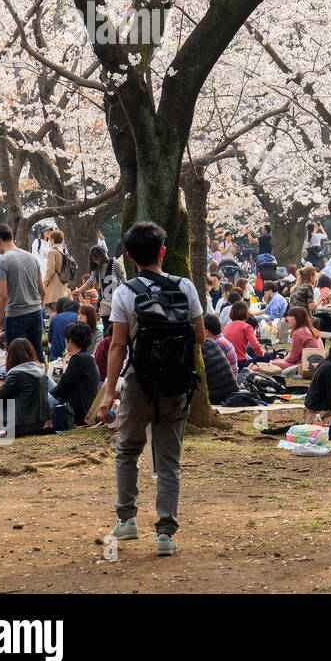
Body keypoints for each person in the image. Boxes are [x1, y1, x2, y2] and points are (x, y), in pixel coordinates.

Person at [98, 220, 205, 557]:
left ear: (128, 256)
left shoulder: (124, 293)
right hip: (176, 386)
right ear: (163, 251)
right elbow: (200, 335)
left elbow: (116, 346)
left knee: (128, 450)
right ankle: (165, 535)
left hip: (138, 385)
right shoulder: (185, 287)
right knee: (169, 461)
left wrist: (108, 393)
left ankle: (127, 519)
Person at [0, 224, 44, 353]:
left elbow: (2, 296)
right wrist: (37, 308)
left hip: (16, 316)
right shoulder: (31, 257)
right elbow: (42, 290)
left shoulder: (1, 261)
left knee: (16, 356)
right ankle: (40, 373)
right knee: (36, 354)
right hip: (36, 312)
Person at [50, 321, 99, 430]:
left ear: (70, 340)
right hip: (83, 406)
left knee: (45, 383)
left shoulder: (78, 359)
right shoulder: (87, 357)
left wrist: (46, 396)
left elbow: (61, 387)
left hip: (74, 412)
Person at [265, 305, 323, 372]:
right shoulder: (310, 329)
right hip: (318, 364)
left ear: (297, 318)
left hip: (306, 365)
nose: (287, 318)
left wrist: (280, 360)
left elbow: (293, 358)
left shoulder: (298, 333)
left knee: (272, 363)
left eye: (290, 316)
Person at [200, 315, 239, 405]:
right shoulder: (223, 341)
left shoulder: (215, 344)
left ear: (206, 332)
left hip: (224, 391)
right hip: (232, 385)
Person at [223, 301, 265, 366]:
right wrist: (261, 355)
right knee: (267, 356)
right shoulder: (246, 327)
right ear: (246, 313)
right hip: (240, 363)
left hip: (227, 363)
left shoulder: (226, 327)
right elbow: (256, 345)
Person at [46, 297, 80, 362]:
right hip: (74, 356)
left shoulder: (55, 318)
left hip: (55, 356)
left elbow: (50, 339)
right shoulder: (78, 317)